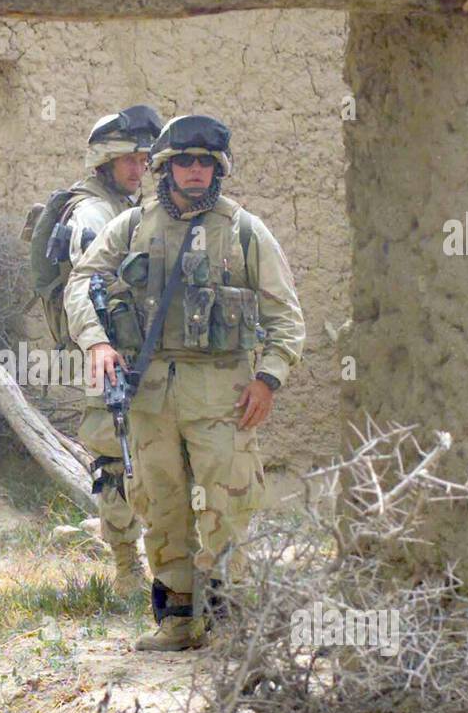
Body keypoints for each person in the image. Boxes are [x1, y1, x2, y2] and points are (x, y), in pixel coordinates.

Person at [64, 114, 305, 651]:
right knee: (160, 504)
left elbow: (287, 315)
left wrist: (269, 379)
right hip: (150, 391)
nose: (195, 171)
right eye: (184, 162)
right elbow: (82, 280)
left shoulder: (243, 229)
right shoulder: (131, 226)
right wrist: (97, 342)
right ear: (165, 168)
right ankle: (177, 619)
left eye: (205, 162)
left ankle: (229, 625)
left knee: (227, 505)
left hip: (224, 393)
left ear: (217, 169)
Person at [63, 106, 162, 593]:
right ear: (103, 162)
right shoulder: (92, 213)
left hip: (142, 353)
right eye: (127, 160)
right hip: (110, 356)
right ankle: (126, 569)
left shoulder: (127, 208)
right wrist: (99, 344)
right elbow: (83, 287)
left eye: (143, 159)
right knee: (115, 459)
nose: (137, 168)